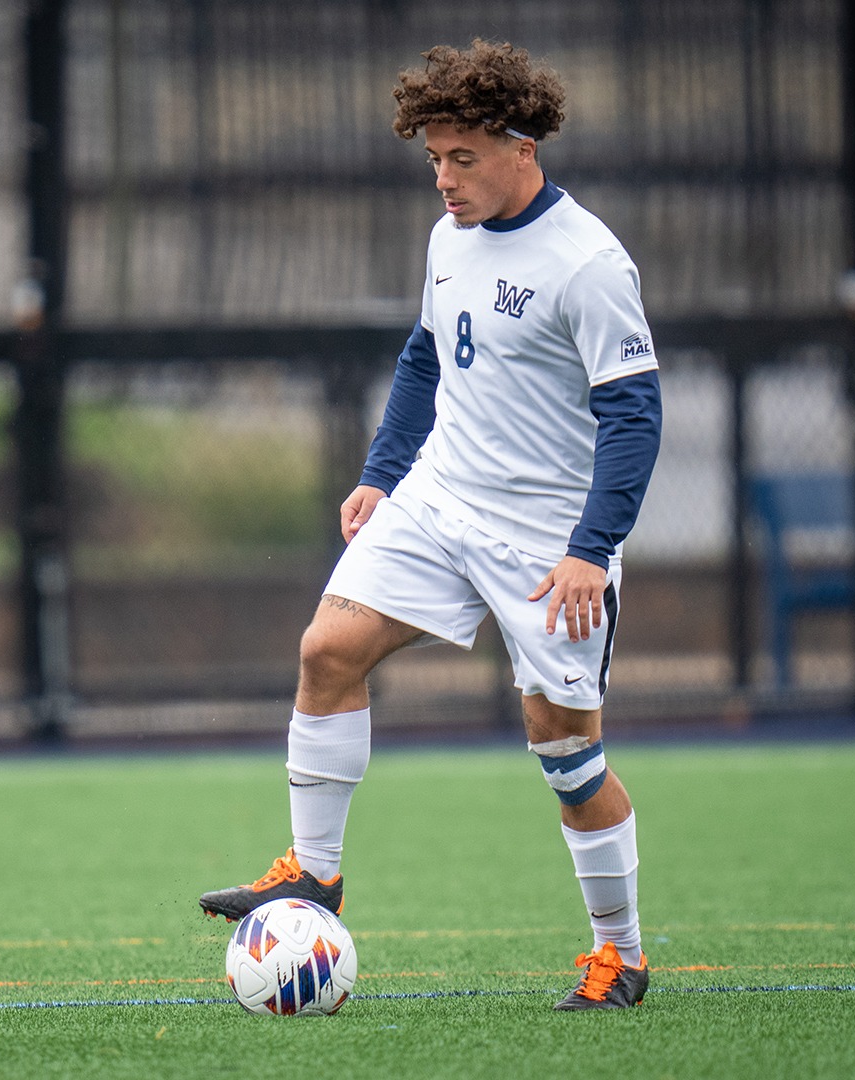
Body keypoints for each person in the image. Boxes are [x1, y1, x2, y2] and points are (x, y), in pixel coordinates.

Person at [197, 40, 663, 1011]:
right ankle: (314, 876)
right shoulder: (448, 237)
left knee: (567, 753)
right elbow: (423, 359)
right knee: (328, 650)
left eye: (463, 158)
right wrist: (381, 477)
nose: (444, 179)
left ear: (521, 146)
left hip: (547, 539)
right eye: (434, 160)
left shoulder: (586, 263)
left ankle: (620, 954)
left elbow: (635, 415)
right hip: (442, 497)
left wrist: (589, 551)